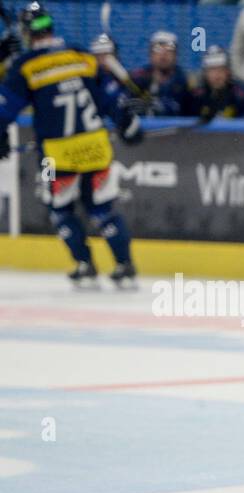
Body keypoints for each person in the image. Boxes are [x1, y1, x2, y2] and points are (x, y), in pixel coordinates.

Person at [0, 3, 141, 287]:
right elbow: (110, 98)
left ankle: (85, 265)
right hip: (96, 149)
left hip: (56, 158)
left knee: (59, 209)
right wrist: (128, 123)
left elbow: (4, 110)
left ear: (27, 33)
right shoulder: (82, 56)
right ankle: (125, 267)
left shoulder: (26, 66)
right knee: (102, 210)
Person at [186, 45, 244, 119]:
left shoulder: (241, 96)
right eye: (212, 70)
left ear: (228, 72)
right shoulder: (195, 97)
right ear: (205, 73)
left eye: (221, 70)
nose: (217, 76)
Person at [128, 30, 188, 116]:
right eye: (158, 49)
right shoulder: (138, 80)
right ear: (150, 54)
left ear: (176, 55)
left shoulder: (184, 83)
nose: (163, 55)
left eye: (169, 50)